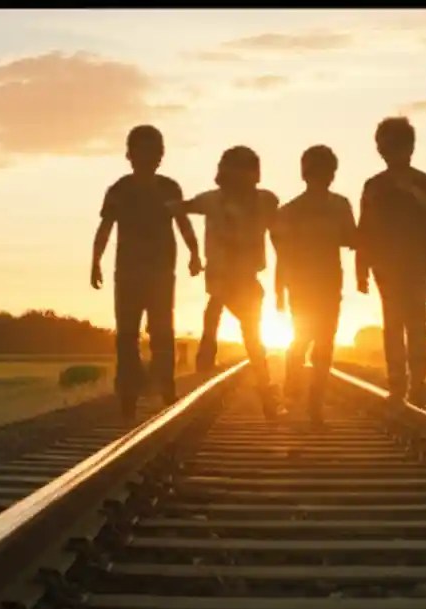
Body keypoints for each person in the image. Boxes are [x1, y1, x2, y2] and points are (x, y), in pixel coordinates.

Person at [90, 125, 202, 423]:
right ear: (130, 154)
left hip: (161, 272)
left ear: (160, 156)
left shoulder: (169, 188)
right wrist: (95, 261)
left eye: (154, 151)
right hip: (127, 272)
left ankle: (164, 388)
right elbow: (105, 227)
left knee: (162, 333)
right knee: (127, 335)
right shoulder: (119, 189)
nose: (148, 157)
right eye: (142, 150)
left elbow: (183, 223)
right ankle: (128, 395)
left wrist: (194, 252)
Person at [172, 146, 281, 419]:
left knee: (244, 329)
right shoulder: (213, 201)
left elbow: (280, 227)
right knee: (221, 318)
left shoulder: (263, 201)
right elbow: (180, 208)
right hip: (224, 277)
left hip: (244, 278)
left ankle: (262, 386)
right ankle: (212, 375)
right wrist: (194, 250)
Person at [355, 116, 426, 406]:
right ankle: (399, 384)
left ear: (409, 148)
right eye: (386, 147)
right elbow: (365, 230)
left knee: (414, 325)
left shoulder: (424, 184)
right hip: (388, 267)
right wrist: (362, 269)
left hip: (417, 265)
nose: (391, 152)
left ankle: (416, 384)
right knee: (395, 325)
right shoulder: (374, 186)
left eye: (396, 146)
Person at [273, 145, 356, 426]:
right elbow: (352, 240)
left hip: (311, 285)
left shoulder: (291, 210)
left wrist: (279, 290)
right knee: (318, 342)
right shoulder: (336, 206)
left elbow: (282, 255)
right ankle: (308, 400)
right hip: (319, 284)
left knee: (309, 340)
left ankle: (302, 397)